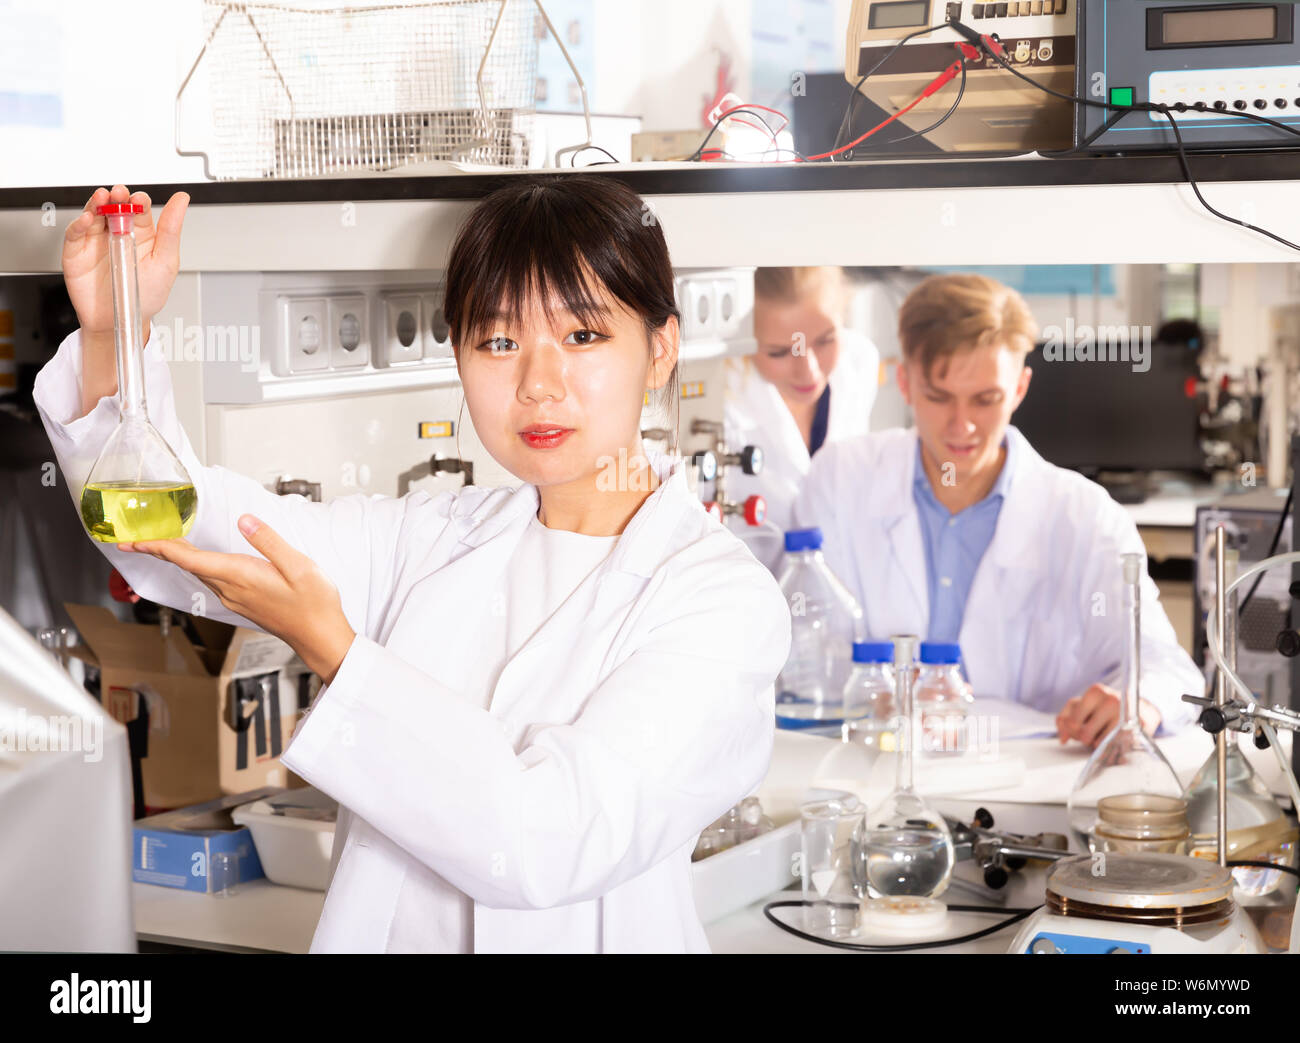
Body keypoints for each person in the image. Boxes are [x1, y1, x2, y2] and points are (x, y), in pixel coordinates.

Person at [33, 178, 792, 953]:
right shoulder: (429, 537)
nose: (538, 382)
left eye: (583, 336)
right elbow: (177, 530)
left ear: (659, 349)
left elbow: (549, 840)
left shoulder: (721, 600)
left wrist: (337, 650)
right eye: (498, 341)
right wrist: (113, 330)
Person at [794, 273, 1202, 746]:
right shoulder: (841, 482)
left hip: (1030, 790)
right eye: (938, 396)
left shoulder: (1085, 518)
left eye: (985, 400)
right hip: (874, 775)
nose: (961, 425)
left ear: (1020, 388)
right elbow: (800, 648)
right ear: (904, 382)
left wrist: (1138, 702)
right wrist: (867, 695)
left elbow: (1166, 667)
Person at [723, 266, 879, 573]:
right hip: (749, 599)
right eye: (779, 352)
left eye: (825, 341)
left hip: (839, 591)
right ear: (745, 340)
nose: (808, 371)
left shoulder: (858, 362)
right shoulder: (722, 398)